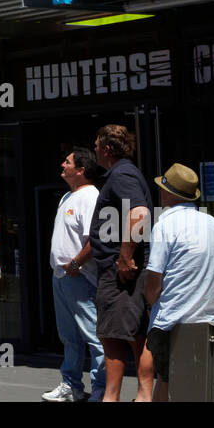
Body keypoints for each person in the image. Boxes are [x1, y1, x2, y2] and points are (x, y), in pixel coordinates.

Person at [143, 164, 214, 402]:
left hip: (170, 323)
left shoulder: (164, 225)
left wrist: (151, 303)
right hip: (204, 324)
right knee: (193, 383)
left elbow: (153, 279)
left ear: (168, 194)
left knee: (167, 380)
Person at [88, 124, 155, 402]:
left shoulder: (121, 174)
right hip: (122, 271)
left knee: (120, 338)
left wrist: (125, 256)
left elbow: (139, 214)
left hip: (122, 274)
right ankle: (131, 396)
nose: (93, 148)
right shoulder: (122, 173)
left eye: (95, 144)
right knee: (125, 335)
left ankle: (128, 396)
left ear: (105, 148)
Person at [43, 146, 106, 402]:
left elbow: (96, 238)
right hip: (62, 276)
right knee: (69, 337)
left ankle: (101, 390)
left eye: (67, 162)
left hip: (80, 277)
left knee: (93, 336)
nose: (62, 165)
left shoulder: (91, 196)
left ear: (81, 170)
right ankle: (72, 386)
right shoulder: (67, 197)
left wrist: (76, 264)